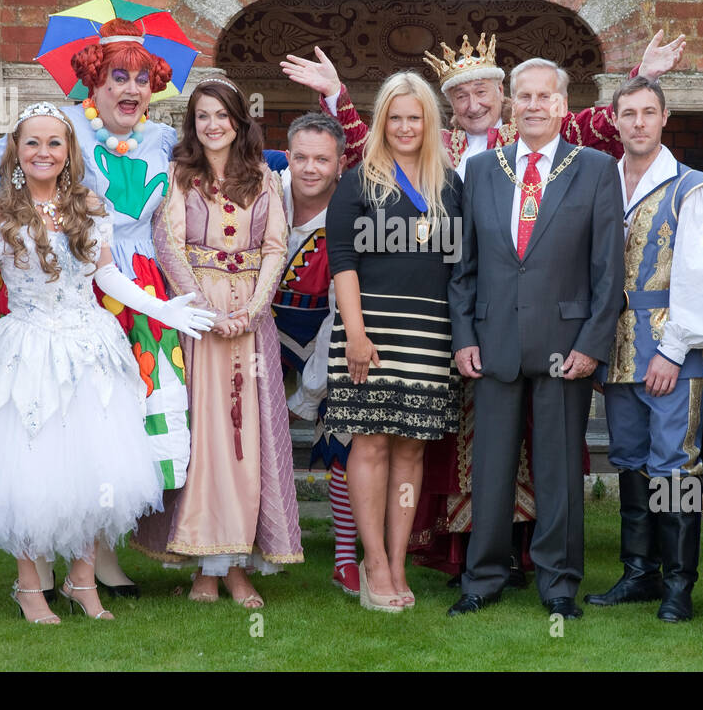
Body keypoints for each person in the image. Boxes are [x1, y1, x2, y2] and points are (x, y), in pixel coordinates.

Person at [283, 31, 684, 584]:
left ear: (505, 97)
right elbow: (372, 154)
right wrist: (339, 98)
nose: (473, 104)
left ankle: (529, 553)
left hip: (524, 326)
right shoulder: (437, 150)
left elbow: (601, 122)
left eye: (484, 93)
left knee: (527, 447)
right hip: (458, 327)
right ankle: (451, 555)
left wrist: (646, 72)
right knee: (438, 445)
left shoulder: (535, 136)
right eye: (461, 96)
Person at [0, 17, 195, 599]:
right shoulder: (58, 132)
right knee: (48, 420)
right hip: (56, 284)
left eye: (141, 78)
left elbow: (223, 159)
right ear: (91, 82)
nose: (130, 89)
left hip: (134, 292)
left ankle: (99, 559)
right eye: (116, 76)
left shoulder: (162, 142)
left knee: (114, 425)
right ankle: (41, 567)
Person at [0, 103, 215, 623]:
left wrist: (161, 307)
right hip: (26, 350)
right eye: (32, 143)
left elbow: (107, 278)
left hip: (91, 347)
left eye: (54, 143)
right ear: (16, 151)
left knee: (96, 464)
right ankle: (28, 588)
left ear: (69, 152)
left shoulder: (90, 205)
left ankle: (83, 580)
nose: (43, 152)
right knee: (27, 467)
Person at [448, 58, 624, 620]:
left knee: (557, 470)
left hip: (566, 343)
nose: (532, 106)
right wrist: (463, 336)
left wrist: (593, 343)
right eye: (522, 97)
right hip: (493, 339)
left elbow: (608, 268)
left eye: (544, 97)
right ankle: (483, 578)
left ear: (562, 105)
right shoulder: (482, 170)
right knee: (490, 468)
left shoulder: (595, 168)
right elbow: (464, 267)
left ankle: (558, 583)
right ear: (509, 104)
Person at [132, 78, 303, 608]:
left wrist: (251, 310)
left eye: (222, 115)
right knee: (204, 437)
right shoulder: (180, 176)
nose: (212, 125)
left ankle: (235, 565)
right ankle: (204, 565)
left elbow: (276, 247)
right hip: (198, 318)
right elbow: (168, 243)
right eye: (202, 116)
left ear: (238, 120)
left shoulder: (265, 180)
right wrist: (203, 310)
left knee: (244, 440)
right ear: (193, 123)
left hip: (251, 318)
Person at [583, 76, 703, 622]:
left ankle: (678, 585)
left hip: (672, 348)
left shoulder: (693, 188)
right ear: (615, 122)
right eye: (628, 114)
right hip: (616, 349)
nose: (638, 122)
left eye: (648, 112)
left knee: (676, 467)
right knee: (632, 464)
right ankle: (639, 573)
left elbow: (700, 278)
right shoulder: (603, 182)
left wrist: (673, 349)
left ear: (665, 118)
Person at [324, 71, 463, 613]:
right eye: (395, 117)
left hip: (430, 333)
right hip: (370, 330)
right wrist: (355, 335)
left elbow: (461, 266)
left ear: (429, 122)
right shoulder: (358, 181)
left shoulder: (451, 185)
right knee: (372, 443)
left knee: (410, 451)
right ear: (382, 121)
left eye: (415, 117)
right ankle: (373, 561)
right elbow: (344, 263)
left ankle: (399, 561)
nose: (405, 127)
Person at [266, 112, 362, 596]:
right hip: (262, 324)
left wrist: (315, 381)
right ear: (287, 155)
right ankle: (244, 547)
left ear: (340, 162)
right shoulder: (263, 189)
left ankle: (345, 557)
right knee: (249, 434)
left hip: (330, 327)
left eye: (321, 159)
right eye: (300, 156)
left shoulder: (354, 205)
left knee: (343, 434)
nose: (309, 168)